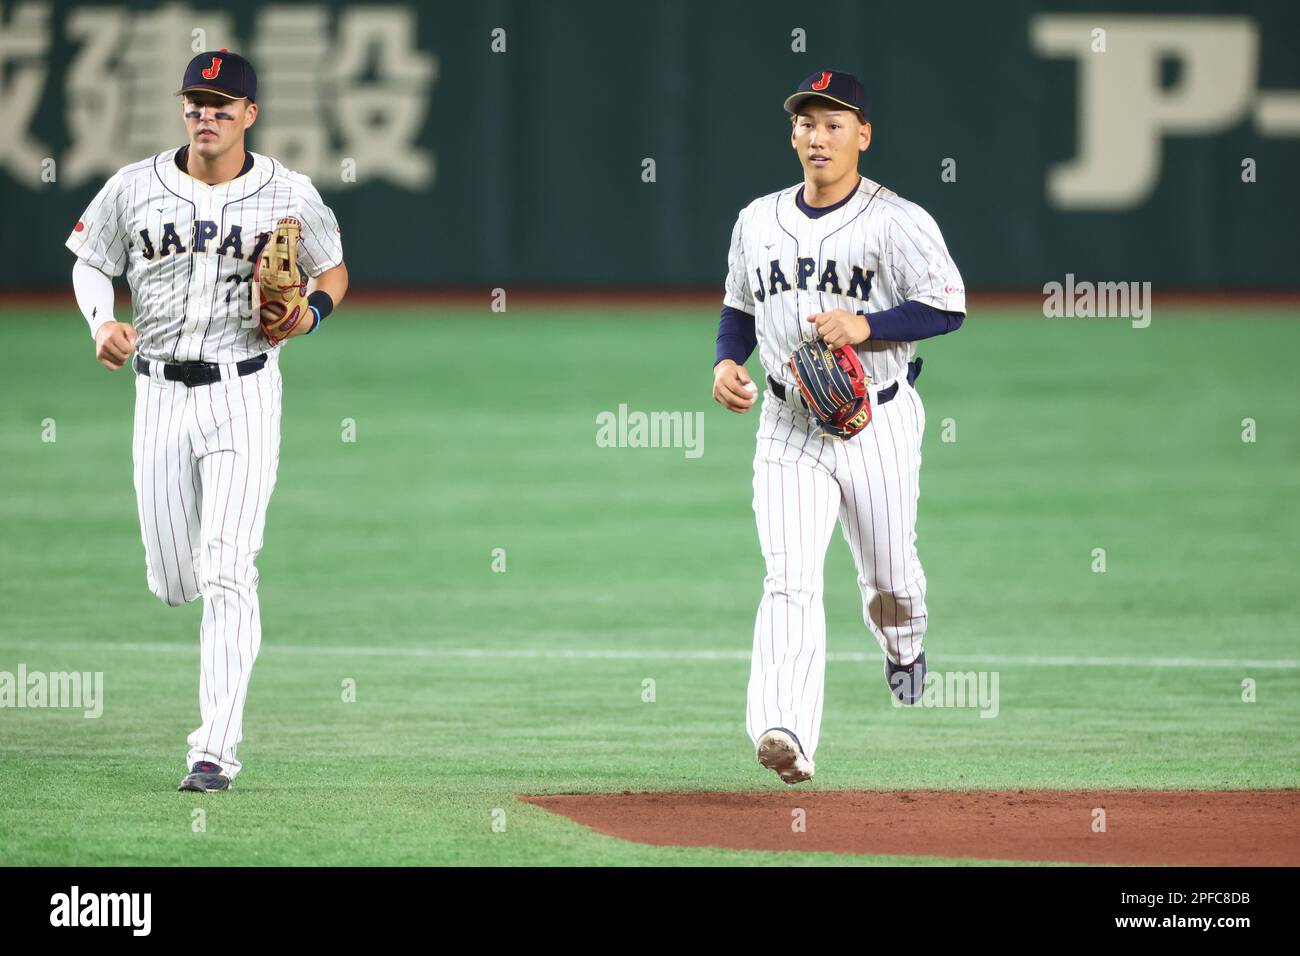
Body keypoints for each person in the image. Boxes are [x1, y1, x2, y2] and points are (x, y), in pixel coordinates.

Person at [66, 49, 349, 792]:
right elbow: (90, 259)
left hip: (244, 392)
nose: (206, 115)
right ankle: (188, 586)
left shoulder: (288, 191)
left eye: (223, 106)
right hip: (157, 392)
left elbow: (333, 268)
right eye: (196, 102)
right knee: (173, 581)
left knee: (229, 570)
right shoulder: (134, 187)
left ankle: (213, 754)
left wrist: (309, 316)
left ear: (250, 115)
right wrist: (102, 320)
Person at [712, 70, 966, 784]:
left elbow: (948, 306)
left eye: (833, 123)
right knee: (789, 579)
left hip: (877, 423)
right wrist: (726, 362)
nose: (817, 136)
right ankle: (782, 728)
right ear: (792, 134)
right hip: (788, 424)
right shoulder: (757, 219)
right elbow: (739, 307)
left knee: (890, 579)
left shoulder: (897, 220)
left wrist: (868, 325)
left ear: (863, 135)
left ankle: (904, 646)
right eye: (806, 123)